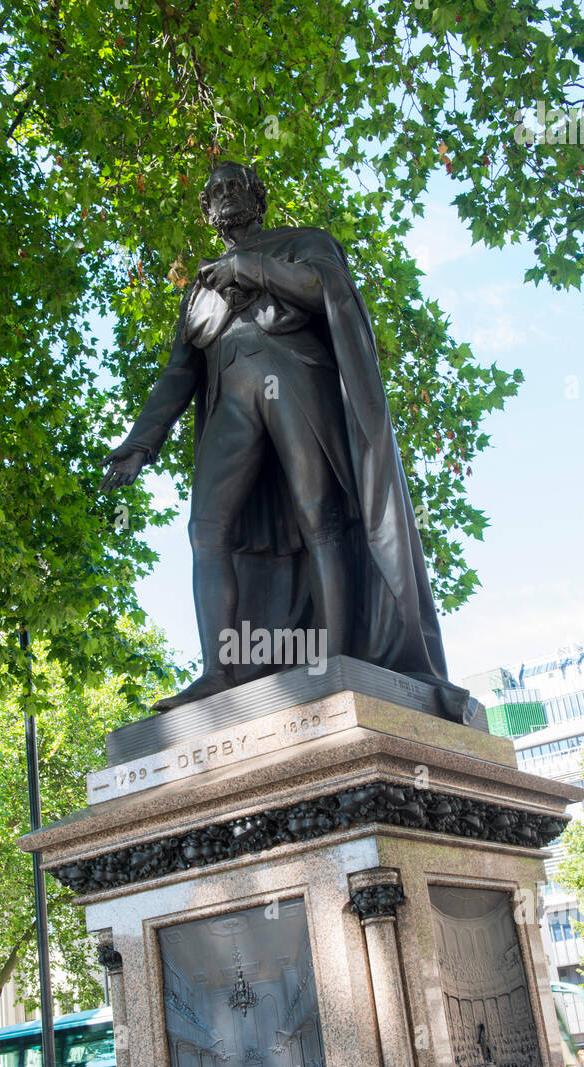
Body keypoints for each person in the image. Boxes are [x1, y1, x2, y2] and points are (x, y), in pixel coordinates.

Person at [100, 162, 460, 715]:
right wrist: (141, 442)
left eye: (233, 186)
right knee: (205, 529)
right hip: (230, 402)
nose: (223, 196)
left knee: (320, 514)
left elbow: (326, 289)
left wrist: (253, 267)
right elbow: (179, 371)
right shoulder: (199, 289)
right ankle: (219, 673)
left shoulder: (301, 242)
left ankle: (338, 658)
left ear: (257, 197)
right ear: (206, 209)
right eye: (213, 190)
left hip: (296, 379)